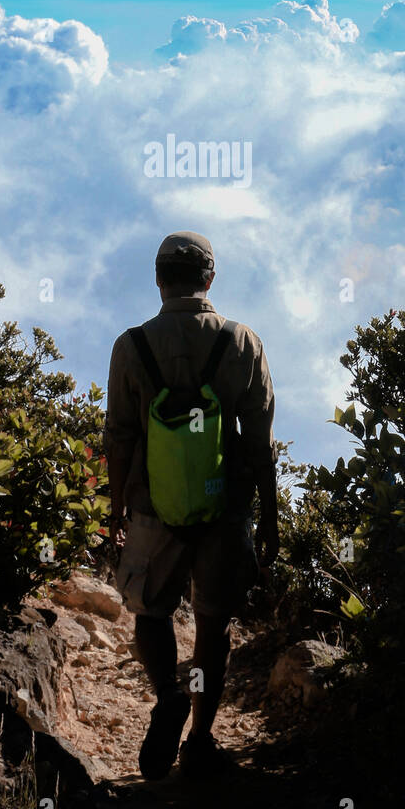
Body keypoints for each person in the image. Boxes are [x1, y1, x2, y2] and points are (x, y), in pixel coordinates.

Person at [103, 230, 279, 781]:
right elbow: (258, 440)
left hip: (153, 506)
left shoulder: (132, 345)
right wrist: (269, 514)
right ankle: (200, 739)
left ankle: (166, 695)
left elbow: (119, 435)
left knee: (150, 613)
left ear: (158, 280)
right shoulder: (242, 342)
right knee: (211, 626)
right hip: (224, 509)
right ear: (210, 278)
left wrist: (115, 507)